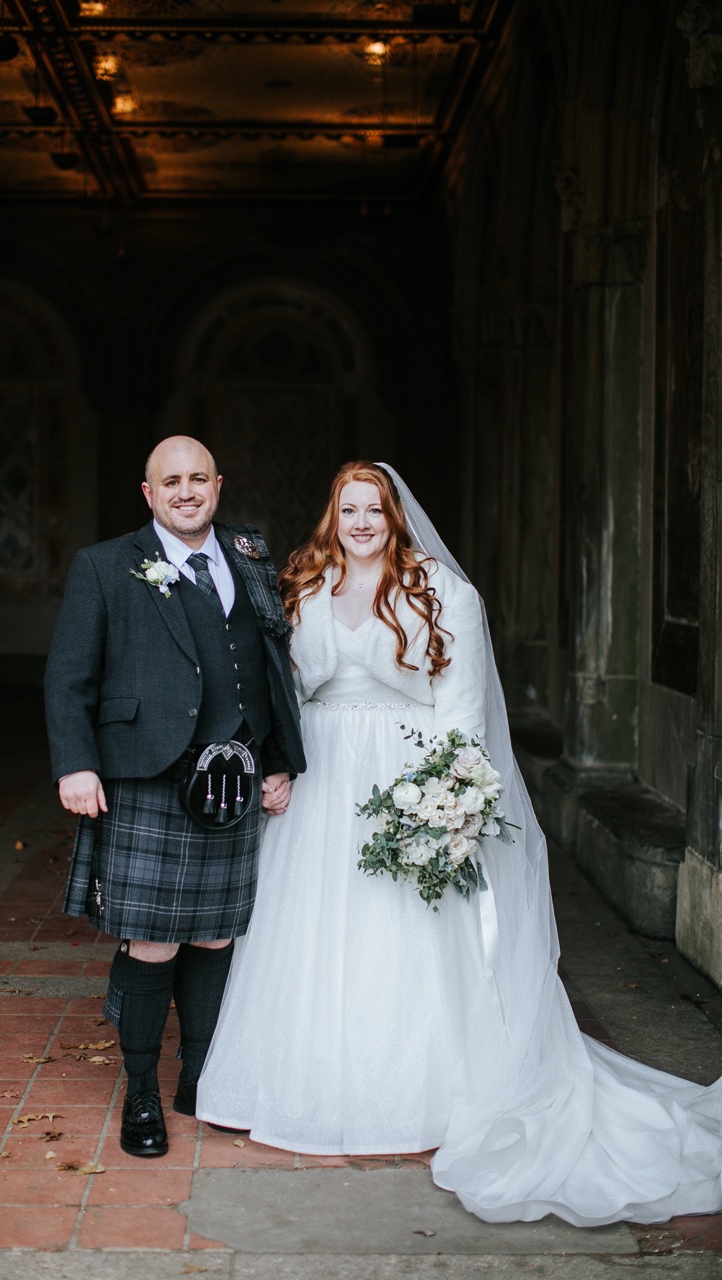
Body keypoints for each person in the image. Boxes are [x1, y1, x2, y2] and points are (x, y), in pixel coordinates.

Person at [196, 460, 722, 1227]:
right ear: (331, 517)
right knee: (308, 931)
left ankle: (417, 1094)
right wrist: (275, 765)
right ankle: (303, 1088)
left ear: (396, 516)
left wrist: (446, 800)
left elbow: (464, 709)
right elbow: (278, 694)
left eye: (375, 509)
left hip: (406, 783)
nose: (364, 522)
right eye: (350, 510)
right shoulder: (300, 586)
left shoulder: (444, 593)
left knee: (403, 932)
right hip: (319, 788)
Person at [44, 436, 305, 1160]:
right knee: (153, 938)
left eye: (198, 478)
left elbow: (271, 666)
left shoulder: (250, 555)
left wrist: (279, 761)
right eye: (171, 481)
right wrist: (76, 764)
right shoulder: (104, 565)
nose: (186, 491)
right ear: (148, 492)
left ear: (217, 485)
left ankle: (200, 1077)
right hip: (145, 775)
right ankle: (141, 1093)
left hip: (234, 775)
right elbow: (69, 676)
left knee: (216, 933)